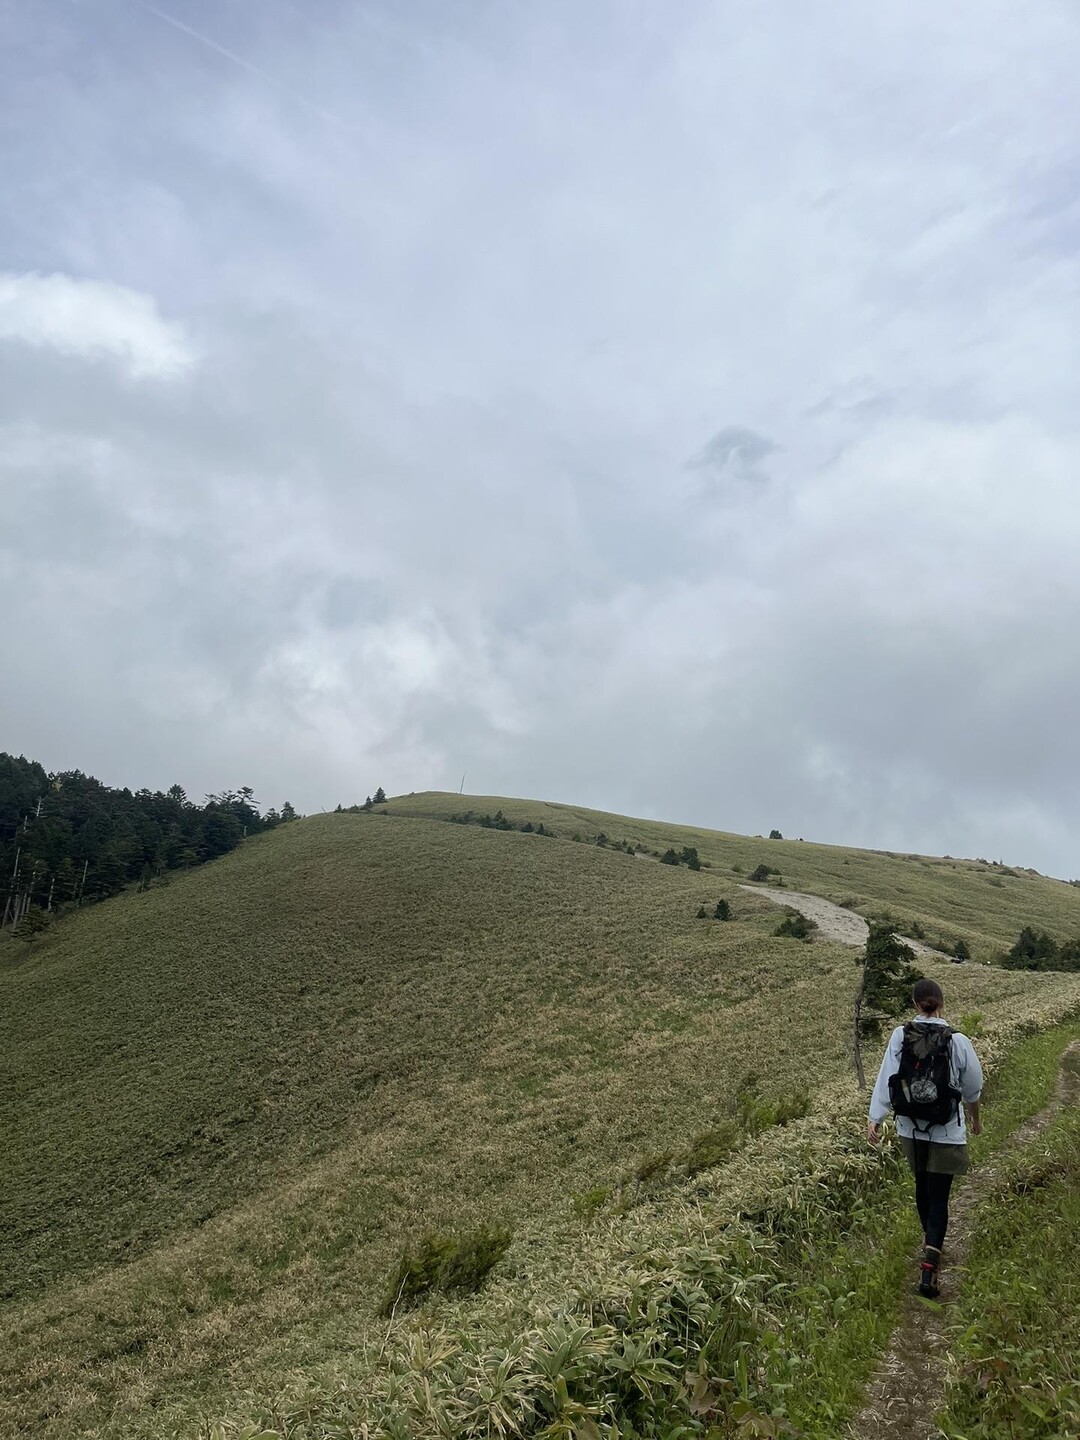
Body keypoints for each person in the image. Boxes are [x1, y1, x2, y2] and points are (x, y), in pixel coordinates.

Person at [867, 978, 983, 1297]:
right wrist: (975, 1118)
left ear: (915, 1004)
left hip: (910, 1127)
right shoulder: (957, 1040)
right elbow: (973, 1086)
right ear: (941, 1003)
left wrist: (875, 1117)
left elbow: (887, 1078)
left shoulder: (900, 1035)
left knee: (922, 1187)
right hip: (947, 1130)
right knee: (939, 1195)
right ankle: (930, 1263)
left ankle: (930, 1242)